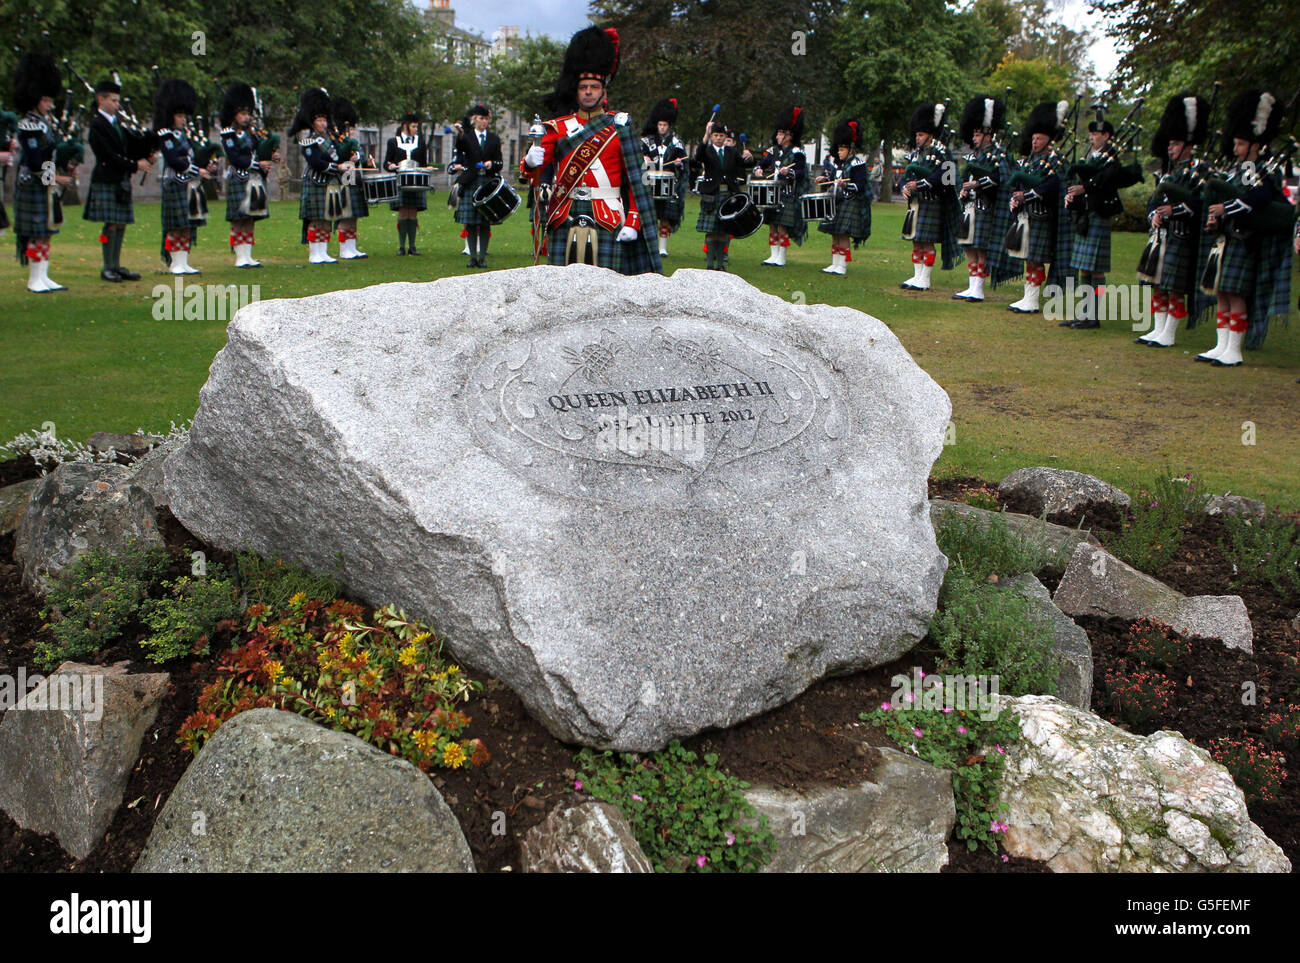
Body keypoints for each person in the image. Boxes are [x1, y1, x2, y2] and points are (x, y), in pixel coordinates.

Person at [522, 25, 661, 274]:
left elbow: (637, 183)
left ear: (603, 90)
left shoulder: (620, 126)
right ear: (575, 90)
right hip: (565, 214)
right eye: (583, 87)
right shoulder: (557, 128)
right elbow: (535, 174)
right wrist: (531, 162)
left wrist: (632, 222)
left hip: (608, 217)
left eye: (594, 87)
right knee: (560, 290)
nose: (588, 91)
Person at [1196, 89, 1292, 367]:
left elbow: (1258, 199)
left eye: (1240, 144)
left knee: (1235, 293)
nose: (1235, 149)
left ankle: (1234, 350)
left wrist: (1226, 209)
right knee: (1223, 292)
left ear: (1253, 144)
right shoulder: (1239, 168)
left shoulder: (1255, 167)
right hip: (1228, 237)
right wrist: (1216, 217)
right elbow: (1229, 194)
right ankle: (1221, 345)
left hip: (1245, 239)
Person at [1135, 93, 1211, 347]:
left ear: (1189, 145)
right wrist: (1153, 215)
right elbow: (1153, 201)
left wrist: (1173, 211)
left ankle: (1169, 333)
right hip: (1160, 235)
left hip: (1181, 235)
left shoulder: (1200, 170)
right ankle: (1158, 330)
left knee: (1174, 288)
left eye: (1176, 144)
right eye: (1170, 143)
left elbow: (1200, 202)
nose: (1171, 148)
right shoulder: (1167, 172)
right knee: (1156, 283)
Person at [1061, 113, 1143, 328]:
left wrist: (1084, 188)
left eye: (1096, 134)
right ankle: (1083, 313)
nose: (1092, 137)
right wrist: (1074, 194)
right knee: (1084, 268)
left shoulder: (1112, 157)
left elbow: (1106, 179)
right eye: (1091, 133)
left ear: (1106, 135)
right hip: (1086, 214)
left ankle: (1093, 315)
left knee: (1096, 269)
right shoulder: (1090, 154)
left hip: (1100, 214)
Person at [12, 52, 75, 292]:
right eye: (46, 100)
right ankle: (34, 278)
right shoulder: (27, 124)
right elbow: (36, 160)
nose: (50, 105)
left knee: (47, 232)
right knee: (36, 233)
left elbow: (49, 155)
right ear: (36, 98)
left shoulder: (45, 123)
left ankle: (44, 275)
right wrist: (54, 178)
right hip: (31, 183)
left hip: (44, 185)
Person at [85, 77, 155, 283]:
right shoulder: (97, 125)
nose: (117, 104)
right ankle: (107, 266)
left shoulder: (118, 125)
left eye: (117, 101)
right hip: (106, 178)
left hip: (120, 179)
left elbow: (132, 145)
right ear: (101, 99)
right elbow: (108, 155)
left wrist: (149, 149)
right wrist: (135, 165)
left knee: (121, 223)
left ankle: (116, 265)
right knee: (111, 224)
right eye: (113, 100)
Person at [1005, 101, 1071, 314]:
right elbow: (1021, 183)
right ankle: (1028, 297)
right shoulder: (1030, 161)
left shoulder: (1054, 161)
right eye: (1033, 138)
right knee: (1029, 258)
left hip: (1043, 217)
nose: (1035, 142)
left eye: (1039, 138)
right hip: (1027, 216)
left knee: (1036, 259)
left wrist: (1028, 196)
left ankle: (1032, 300)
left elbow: (1051, 186)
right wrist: (1015, 199)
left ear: (1049, 139)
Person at [952, 94, 1017, 302]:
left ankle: (979, 288)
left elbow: (1001, 180)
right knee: (969, 245)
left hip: (986, 207)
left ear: (989, 135)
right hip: (970, 206)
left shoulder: (998, 155)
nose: (975, 138)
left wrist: (978, 185)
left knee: (980, 247)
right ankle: (971, 286)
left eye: (979, 134)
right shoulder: (974, 156)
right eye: (975, 134)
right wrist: (964, 190)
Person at [899, 102, 961, 290]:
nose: (917, 138)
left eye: (921, 135)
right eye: (916, 135)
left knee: (927, 241)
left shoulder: (942, 152)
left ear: (930, 135)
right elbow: (906, 175)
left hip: (932, 201)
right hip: (916, 202)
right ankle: (917, 276)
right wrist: (904, 186)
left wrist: (920, 184)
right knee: (916, 240)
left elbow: (946, 175)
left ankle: (925, 279)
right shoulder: (915, 153)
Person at [154, 79, 214, 275]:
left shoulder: (186, 135)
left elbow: (192, 156)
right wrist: (196, 170)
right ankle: (174, 262)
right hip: (174, 182)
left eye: (183, 115)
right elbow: (173, 160)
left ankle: (183, 260)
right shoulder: (165, 134)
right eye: (179, 115)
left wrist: (206, 163)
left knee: (187, 225)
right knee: (175, 226)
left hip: (188, 184)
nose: (183, 119)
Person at [220, 83, 277, 268]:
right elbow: (235, 157)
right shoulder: (228, 133)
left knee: (250, 218)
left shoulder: (252, 133)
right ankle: (239, 257)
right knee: (239, 219)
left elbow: (259, 151)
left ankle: (248, 255)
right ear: (234, 115)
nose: (246, 117)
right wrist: (256, 164)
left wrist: (270, 155)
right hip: (240, 177)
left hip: (254, 179)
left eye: (247, 114)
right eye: (242, 114)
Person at [292, 88, 343, 264]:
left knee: (326, 218)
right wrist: (336, 166)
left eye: (324, 119)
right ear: (312, 122)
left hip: (328, 181)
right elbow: (315, 161)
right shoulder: (308, 139)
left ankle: (324, 251)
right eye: (319, 120)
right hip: (315, 179)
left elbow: (337, 155)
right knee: (315, 218)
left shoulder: (331, 138)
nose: (323, 123)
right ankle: (314, 252)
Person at [753, 106, 808, 266]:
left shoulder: (798, 152)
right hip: (772, 193)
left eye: (781, 133)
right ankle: (773, 255)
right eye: (777, 133)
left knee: (782, 227)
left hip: (788, 193)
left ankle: (781, 257)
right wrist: (758, 169)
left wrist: (789, 171)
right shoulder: (773, 151)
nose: (777, 136)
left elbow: (801, 172)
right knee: (772, 225)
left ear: (789, 135)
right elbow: (760, 164)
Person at [815, 119, 871, 275]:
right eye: (838, 148)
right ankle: (835, 263)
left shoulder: (858, 163)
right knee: (835, 232)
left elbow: (861, 185)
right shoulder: (839, 165)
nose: (838, 152)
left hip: (851, 201)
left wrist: (847, 186)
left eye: (842, 149)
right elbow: (833, 178)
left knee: (843, 233)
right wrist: (824, 179)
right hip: (837, 200)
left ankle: (842, 266)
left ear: (850, 149)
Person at [450, 105, 502, 268]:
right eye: (481, 118)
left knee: (485, 222)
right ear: (474, 120)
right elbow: (460, 147)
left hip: (487, 182)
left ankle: (482, 258)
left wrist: (491, 164)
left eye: (486, 119)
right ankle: (472, 257)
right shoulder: (467, 137)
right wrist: (459, 134)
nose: (484, 122)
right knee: (471, 223)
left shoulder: (494, 138)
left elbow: (499, 162)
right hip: (471, 181)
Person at [694, 118, 744, 270]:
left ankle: (720, 265)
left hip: (727, 194)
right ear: (711, 137)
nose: (718, 138)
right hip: (711, 194)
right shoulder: (707, 151)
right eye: (715, 135)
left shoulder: (732, 151)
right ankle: (710, 264)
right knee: (711, 231)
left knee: (723, 231)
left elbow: (743, 164)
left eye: (721, 136)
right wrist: (706, 133)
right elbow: (698, 155)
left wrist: (750, 158)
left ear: (725, 137)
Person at [641, 98, 688, 257]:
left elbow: (685, 162)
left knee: (666, 217)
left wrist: (678, 163)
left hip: (669, 184)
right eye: (660, 125)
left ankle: (662, 248)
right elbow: (638, 158)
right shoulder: (646, 141)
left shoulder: (676, 143)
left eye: (665, 125)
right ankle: (651, 246)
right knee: (651, 217)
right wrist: (645, 159)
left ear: (669, 125)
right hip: (650, 183)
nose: (662, 128)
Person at [329, 97, 369, 260]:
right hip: (340, 178)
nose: (351, 131)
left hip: (353, 178)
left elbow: (360, 152)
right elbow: (335, 156)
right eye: (349, 128)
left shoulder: (350, 141)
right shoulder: (334, 140)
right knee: (345, 214)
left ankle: (352, 247)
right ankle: (344, 248)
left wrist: (359, 156)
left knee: (354, 215)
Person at [385, 113, 427, 255]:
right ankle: (402, 246)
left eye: (417, 126)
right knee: (403, 212)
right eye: (414, 126)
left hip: (416, 181)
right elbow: (387, 162)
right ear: (405, 126)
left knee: (413, 213)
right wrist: (390, 166)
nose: (416, 129)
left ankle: (412, 246)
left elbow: (424, 163)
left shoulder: (420, 142)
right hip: (400, 181)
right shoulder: (393, 142)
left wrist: (426, 168)